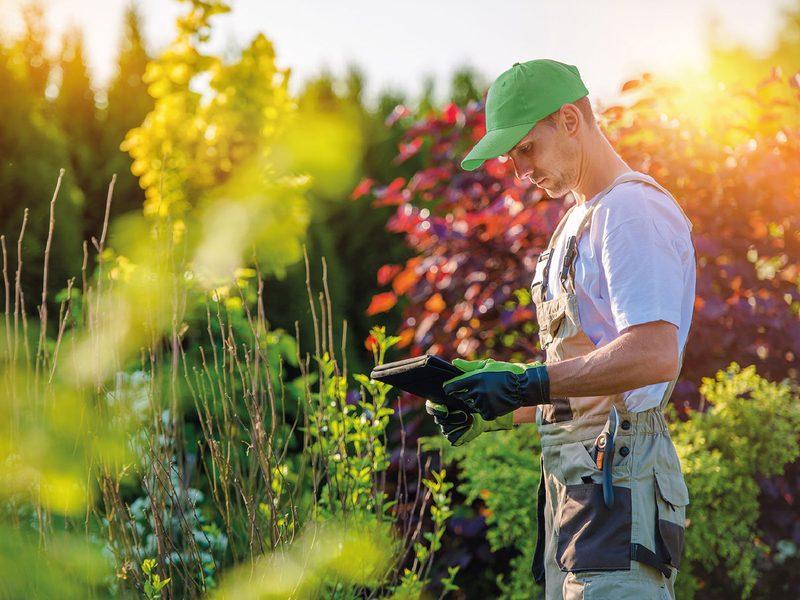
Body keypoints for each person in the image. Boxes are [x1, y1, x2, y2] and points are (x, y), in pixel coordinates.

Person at [426, 59, 695, 600]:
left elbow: (655, 352)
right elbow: (577, 383)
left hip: (620, 488)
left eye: (526, 148)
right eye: (512, 156)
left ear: (570, 120)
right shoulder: (577, 221)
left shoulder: (631, 211)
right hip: (575, 496)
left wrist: (528, 381)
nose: (521, 170)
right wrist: (494, 401)